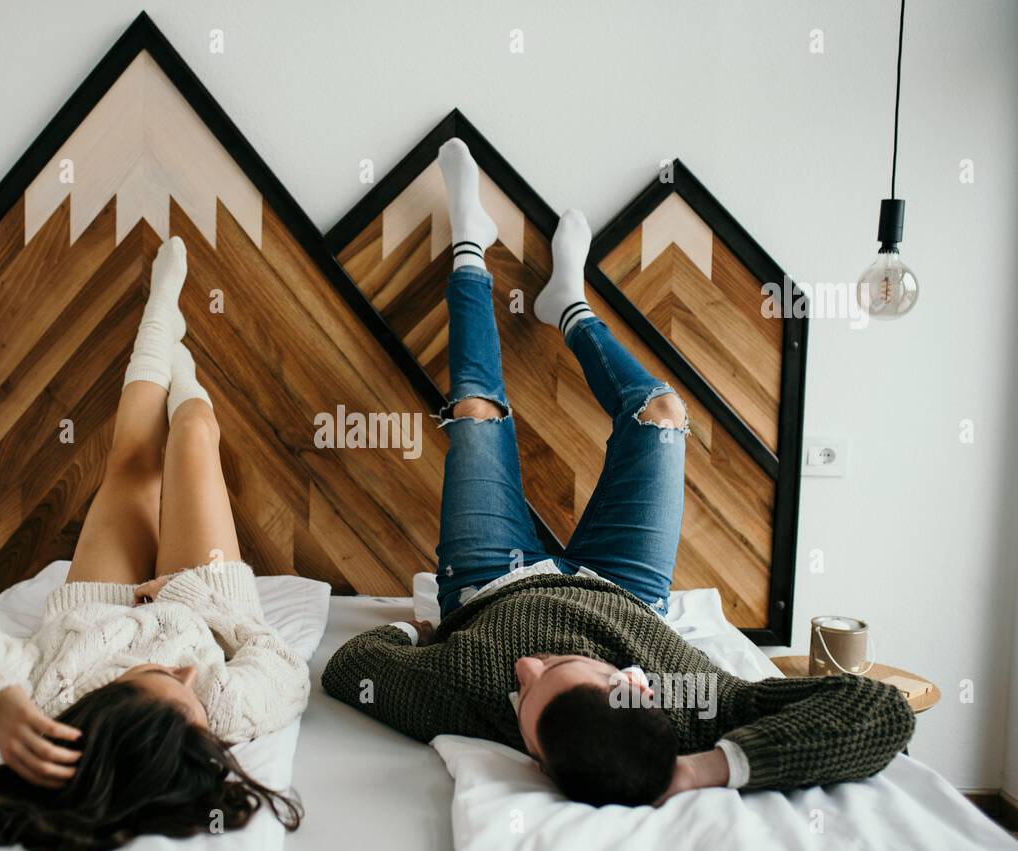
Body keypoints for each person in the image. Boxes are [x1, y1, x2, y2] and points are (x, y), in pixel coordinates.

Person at [322, 138, 915, 806]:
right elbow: (877, 708)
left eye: (528, 692)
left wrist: (418, 632)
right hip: (626, 589)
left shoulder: (469, 687)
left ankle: (469, 247)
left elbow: (353, 668)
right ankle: (571, 309)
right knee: (662, 412)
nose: (526, 664)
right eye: (556, 667)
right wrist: (699, 769)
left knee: (477, 411)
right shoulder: (699, 702)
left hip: (491, 580)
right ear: (636, 685)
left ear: (539, 761)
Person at [0, 237, 308, 851]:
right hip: (202, 602)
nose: (191, 674)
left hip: (97, 606)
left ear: (108, 711)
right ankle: (177, 359)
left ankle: (159, 316)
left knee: (134, 463)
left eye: (168, 683)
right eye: (194, 701)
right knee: (194, 433)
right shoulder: (217, 709)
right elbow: (280, 662)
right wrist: (186, 593)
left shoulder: (42, 704)